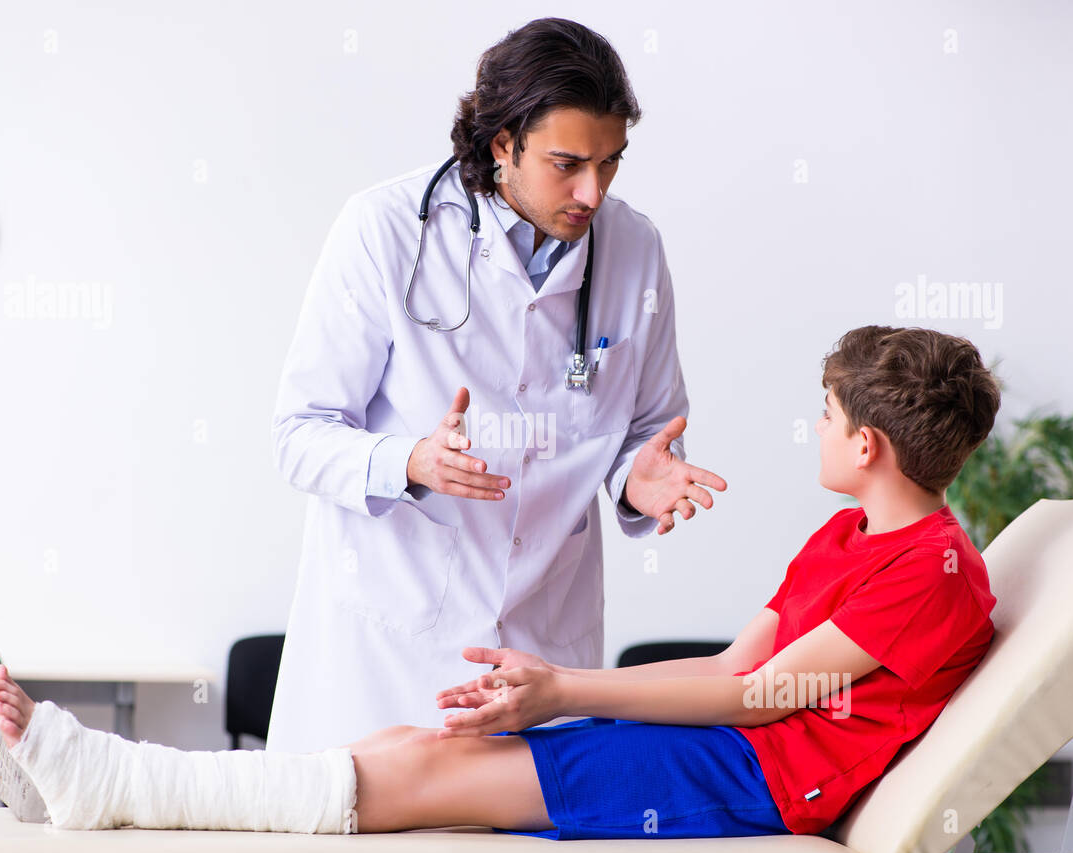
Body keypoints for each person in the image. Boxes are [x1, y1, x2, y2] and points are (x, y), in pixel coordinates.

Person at [0, 326, 1002, 840]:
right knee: (415, 744)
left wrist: (563, 687)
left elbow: (758, 694)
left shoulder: (931, 574)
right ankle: (101, 786)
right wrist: (564, 691)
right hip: (732, 748)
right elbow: (738, 666)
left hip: (757, 779)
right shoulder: (850, 532)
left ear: (863, 442)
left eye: (823, 417)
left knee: (432, 777)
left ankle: (111, 784)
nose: (814, 429)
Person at [264, 17, 727, 754]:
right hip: (390, 648)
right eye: (568, 163)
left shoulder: (635, 250)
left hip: (543, 654)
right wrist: (409, 461)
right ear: (502, 142)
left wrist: (639, 477)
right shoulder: (384, 230)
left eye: (611, 164)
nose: (593, 192)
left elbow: (645, 429)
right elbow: (299, 435)